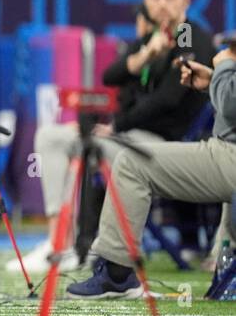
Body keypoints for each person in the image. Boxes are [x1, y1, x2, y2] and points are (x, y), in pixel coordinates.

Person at [11, 0, 216, 272]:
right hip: (127, 137)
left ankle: (89, 243)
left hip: (165, 145)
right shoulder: (152, 37)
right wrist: (146, 53)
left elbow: (168, 99)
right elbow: (111, 75)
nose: (161, 4)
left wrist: (116, 126)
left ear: (185, 0)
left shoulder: (187, 36)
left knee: (93, 147)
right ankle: (59, 241)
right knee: (51, 137)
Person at [67, 45, 236, 297]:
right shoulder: (149, 43)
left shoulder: (192, 36)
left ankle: (116, 274)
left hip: (227, 153)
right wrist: (215, 79)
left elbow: (230, 105)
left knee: (131, 164)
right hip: (224, 149)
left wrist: (224, 67)